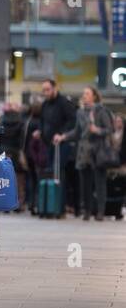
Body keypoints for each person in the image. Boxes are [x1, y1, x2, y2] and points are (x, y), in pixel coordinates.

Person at [59, 86, 114, 221]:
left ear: (94, 96)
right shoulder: (80, 112)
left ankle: (100, 211)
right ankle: (87, 211)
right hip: (84, 151)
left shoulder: (102, 111)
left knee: (99, 182)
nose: (84, 96)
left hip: (98, 150)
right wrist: (63, 137)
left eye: (87, 93)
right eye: (83, 94)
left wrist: (97, 130)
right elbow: (77, 132)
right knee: (85, 183)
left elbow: (110, 129)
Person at [33, 78, 78, 214]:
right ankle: (51, 205)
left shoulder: (64, 103)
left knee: (59, 173)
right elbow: (42, 120)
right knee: (51, 173)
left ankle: (60, 206)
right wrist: (40, 131)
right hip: (49, 144)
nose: (45, 93)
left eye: (47, 90)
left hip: (62, 144)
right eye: (44, 90)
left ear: (54, 89)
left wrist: (61, 134)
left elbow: (72, 121)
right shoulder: (46, 104)